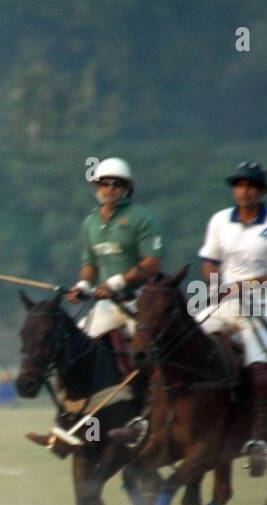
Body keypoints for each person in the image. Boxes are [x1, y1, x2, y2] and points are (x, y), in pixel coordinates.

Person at [196, 161, 267, 477]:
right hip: (225, 303)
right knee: (185, 341)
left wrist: (247, 286)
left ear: (263, 191)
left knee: (259, 365)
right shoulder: (219, 221)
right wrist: (217, 285)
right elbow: (209, 262)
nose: (244, 191)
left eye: (251, 186)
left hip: (263, 306)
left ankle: (257, 437)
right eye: (239, 185)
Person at [65, 158, 164, 447]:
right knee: (72, 351)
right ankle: (69, 420)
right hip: (108, 306)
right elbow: (90, 266)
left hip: (139, 305)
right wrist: (83, 286)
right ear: (97, 187)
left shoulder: (143, 219)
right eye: (104, 183)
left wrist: (116, 283)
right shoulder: (90, 223)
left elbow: (152, 263)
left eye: (116, 184)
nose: (110, 189)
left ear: (127, 188)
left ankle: (146, 418)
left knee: (151, 359)